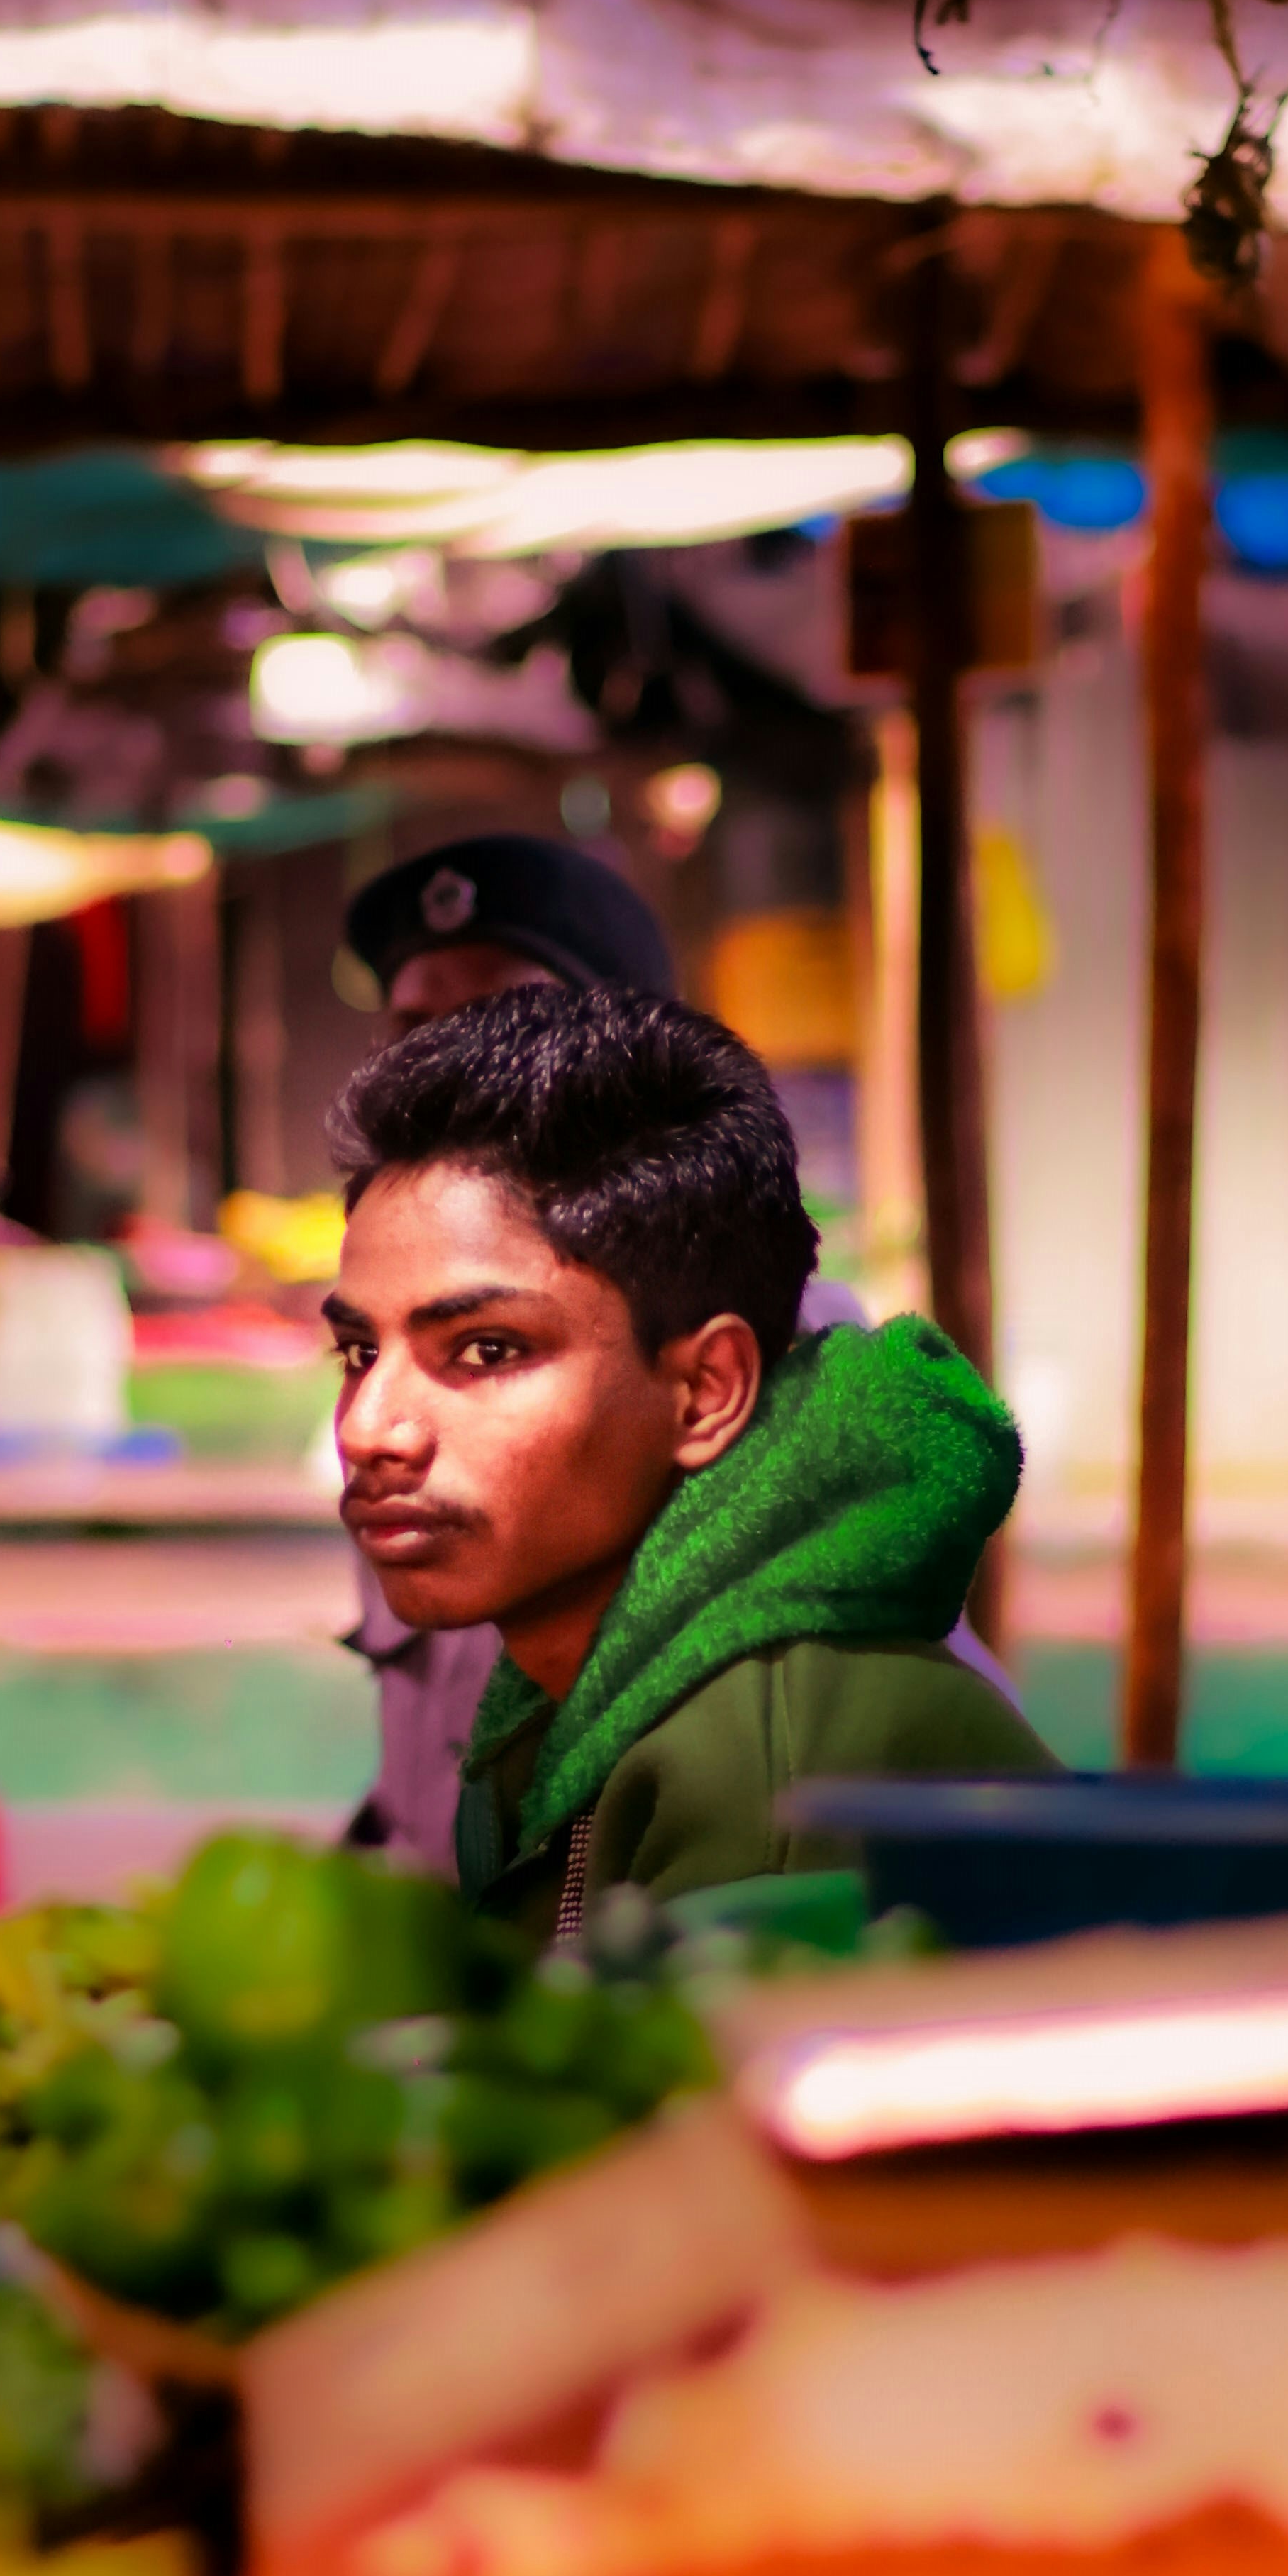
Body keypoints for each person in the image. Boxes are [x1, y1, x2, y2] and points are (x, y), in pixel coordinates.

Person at [325, 984, 1050, 1942]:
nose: (369, 1428)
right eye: (359, 1353)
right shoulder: (577, 1700)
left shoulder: (773, 1785)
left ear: (707, 1392)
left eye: (487, 1350)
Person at [331, 831, 896, 1864]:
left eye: (502, 1018)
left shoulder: (783, 1354)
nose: (442, 1064)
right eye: (413, 1027)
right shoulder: (400, 1374)